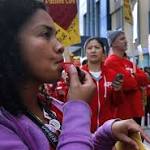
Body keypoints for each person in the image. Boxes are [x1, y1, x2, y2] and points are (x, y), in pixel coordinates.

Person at [0, 1, 150, 150]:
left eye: (97, 48)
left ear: (103, 52)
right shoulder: (4, 126)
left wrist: (107, 133)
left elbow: (75, 141)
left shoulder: (51, 106)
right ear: (8, 42)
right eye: (45, 34)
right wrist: (78, 106)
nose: (60, 46)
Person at [105, 30, 148, 125]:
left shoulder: (129, 62)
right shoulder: (110, 62)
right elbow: (128, 84)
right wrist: (135, 78)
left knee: (137, 139)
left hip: (136, 110)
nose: (126, 41)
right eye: (122, 39)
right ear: (113, 43)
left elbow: (145, 79)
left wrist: (133, 76)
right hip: (123, 113)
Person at [81, 37, 124, 132]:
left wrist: (117, 90)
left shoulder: (112, 74)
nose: (93, 50)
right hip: (84, 129)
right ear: (85, 53)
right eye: (89, 48)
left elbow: (118, 102)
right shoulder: (79, 74)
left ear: (103, 52)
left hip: (106, 129)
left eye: (97, 47)